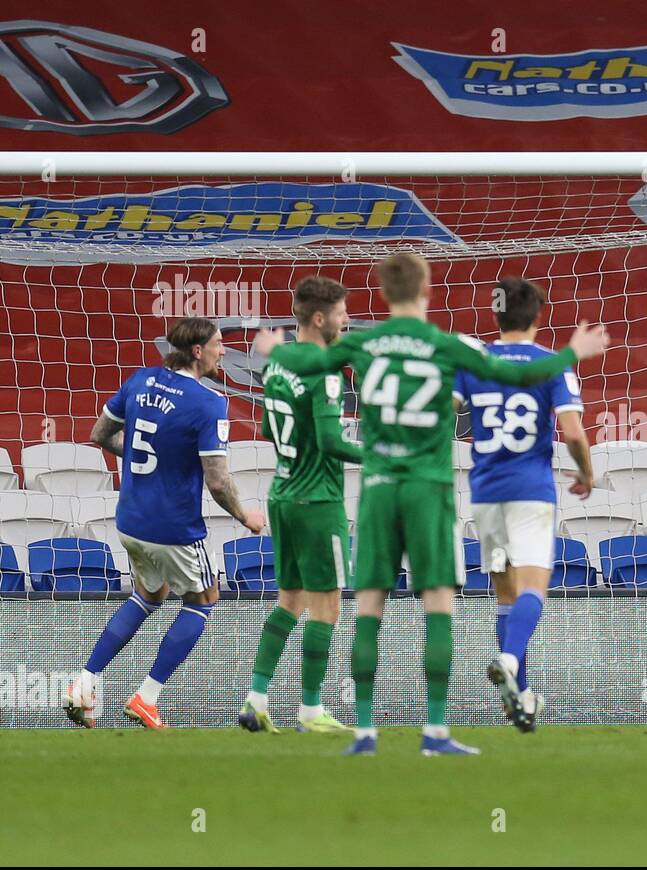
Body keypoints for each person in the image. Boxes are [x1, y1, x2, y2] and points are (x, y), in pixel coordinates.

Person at [252, 253, 608, 756]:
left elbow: (306, 362)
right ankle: (436, 730)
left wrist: (274, 350)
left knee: (369, 606)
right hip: (431, 488)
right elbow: (517, 375)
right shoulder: (449, 345)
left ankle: (366, 733)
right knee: (439, 603)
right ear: (425, 291)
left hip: (380, 487)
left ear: (382, 293)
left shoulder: (363, 343)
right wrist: (571, 352)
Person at [64, 318, 265, 729]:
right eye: (219, 344)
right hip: (173, 527)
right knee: (204, 599)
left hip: (130, 520)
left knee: (150, 594)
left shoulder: (140, 380)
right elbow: (217, 481)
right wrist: (245, 516)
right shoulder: (209, 403)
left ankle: (83, 684)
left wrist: (149, 461)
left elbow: (100, 433)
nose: (224, 351)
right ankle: (147, 698)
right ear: (198, 351)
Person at [453, 277, 594, 732]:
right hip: (531, 493)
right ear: (537, 316)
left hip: (486, 496)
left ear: (496, 315)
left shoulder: (475, 363)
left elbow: (442, 415)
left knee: (505, 596)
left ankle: (520, 698)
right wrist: (586, 473)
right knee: (534, 589)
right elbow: (573, 433)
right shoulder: (551, 364)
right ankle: (511, 661)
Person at [239, 276, 361, 734]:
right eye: (341, 314)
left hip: (283, 494)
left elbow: (269, 430)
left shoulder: (278, 367)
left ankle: (256, 699)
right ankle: (311, 710)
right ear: (319, 318)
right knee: (327, 606)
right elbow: (331, 441)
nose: (346, 321)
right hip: (318, 500)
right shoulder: (325, 373)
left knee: (289, 600)